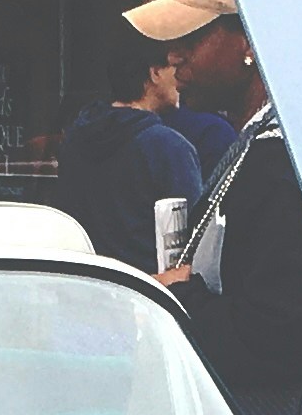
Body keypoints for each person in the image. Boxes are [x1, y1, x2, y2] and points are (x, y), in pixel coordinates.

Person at [132, 0, 302, 415]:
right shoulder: (259, 143)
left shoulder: (276, 158)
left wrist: (183, 295)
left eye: (192, 38)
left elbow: (283, 330)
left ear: (248, 39)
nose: (174, 56)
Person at [53, 31, 216, 268]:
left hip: (81, 285)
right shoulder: (169, 148)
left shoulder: (75, 138)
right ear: (155, 73)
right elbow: (192, 246)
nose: (181, 78)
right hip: (145, 293)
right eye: (174, 66)